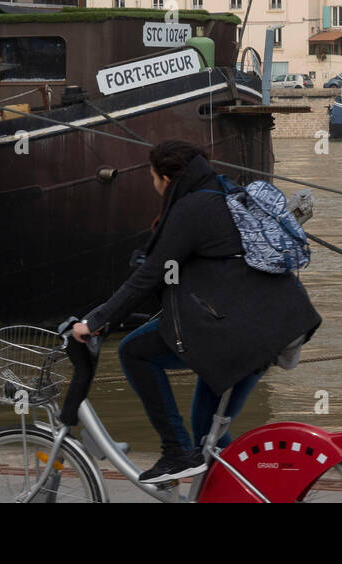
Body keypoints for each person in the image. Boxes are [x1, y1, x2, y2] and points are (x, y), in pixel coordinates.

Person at [73, 141, 321, 484]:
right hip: (268, 324)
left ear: (164, 178)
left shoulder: (193, 207)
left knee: (135, 352)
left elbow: (150, 275)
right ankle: (243, 485)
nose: (153, 186)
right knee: (208, 438)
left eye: (153, 179)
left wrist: (95, 321)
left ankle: (175, 452)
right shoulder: (223, 192)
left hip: (247, 332)